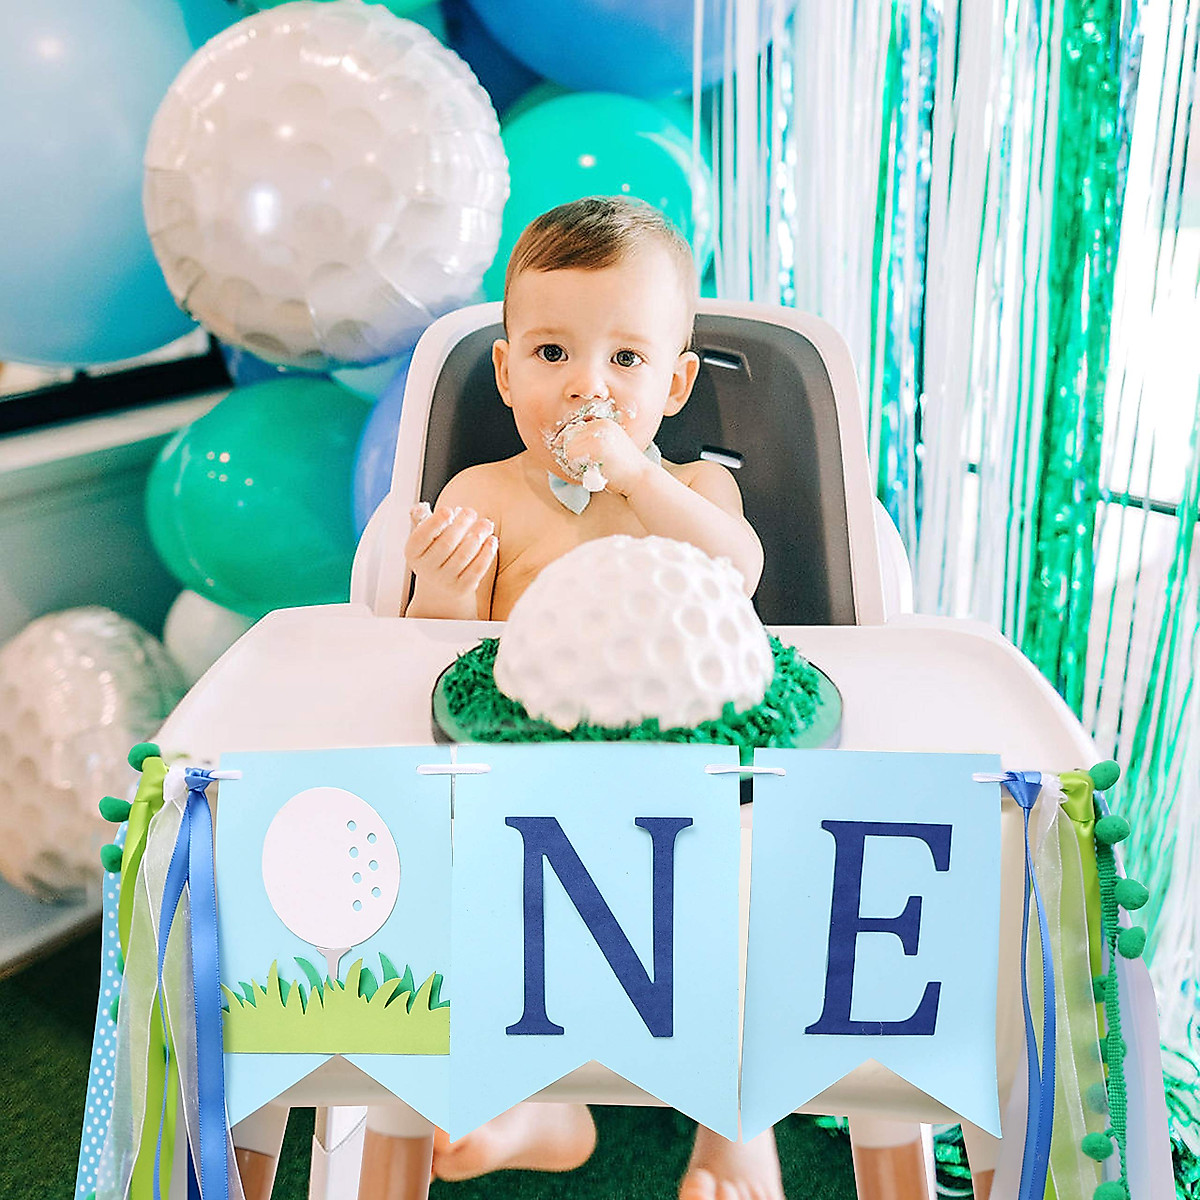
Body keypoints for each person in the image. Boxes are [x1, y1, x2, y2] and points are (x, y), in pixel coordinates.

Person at [402, 196, 781, 1200]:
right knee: (474, 882)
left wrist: (634, 477)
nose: (588, 388)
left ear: (677, 379)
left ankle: (734, 1131)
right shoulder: (486, 495)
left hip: (690, 800)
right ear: (505, 368)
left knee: (745, 900)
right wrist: (440, 594)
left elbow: (735, 570)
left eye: (626, 360)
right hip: (525, 800)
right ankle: (543, 1106)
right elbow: (433, 683)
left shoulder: (698, 489)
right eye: (554, 354)